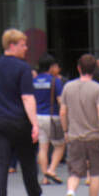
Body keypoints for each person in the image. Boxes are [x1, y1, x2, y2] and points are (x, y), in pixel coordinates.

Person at [0, 29, 52, 196]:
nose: (26, 48)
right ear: (12, 45)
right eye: (23, 44)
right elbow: (27, 98)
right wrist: (35, 124)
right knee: (28, 163)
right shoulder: (23, 68)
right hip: (19, 121)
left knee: (0, 164)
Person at [59, 53, 99, 196]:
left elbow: (63, 111)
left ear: (78, 68)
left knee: (74, 172)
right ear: (94, 69)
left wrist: (66, 131)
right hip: (93, 136)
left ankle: (70, 193)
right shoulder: (98, 89)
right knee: (95, 173)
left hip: (75, 136)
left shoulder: (68, 87)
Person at [33, 56, 65, 185]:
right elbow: (60, 100)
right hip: (53, 116)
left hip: (38, 116)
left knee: (43, 147)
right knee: (60, 145)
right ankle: (51, 170)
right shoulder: (54, 81)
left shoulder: (33, 81)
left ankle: (45, 177)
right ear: (51, 67)